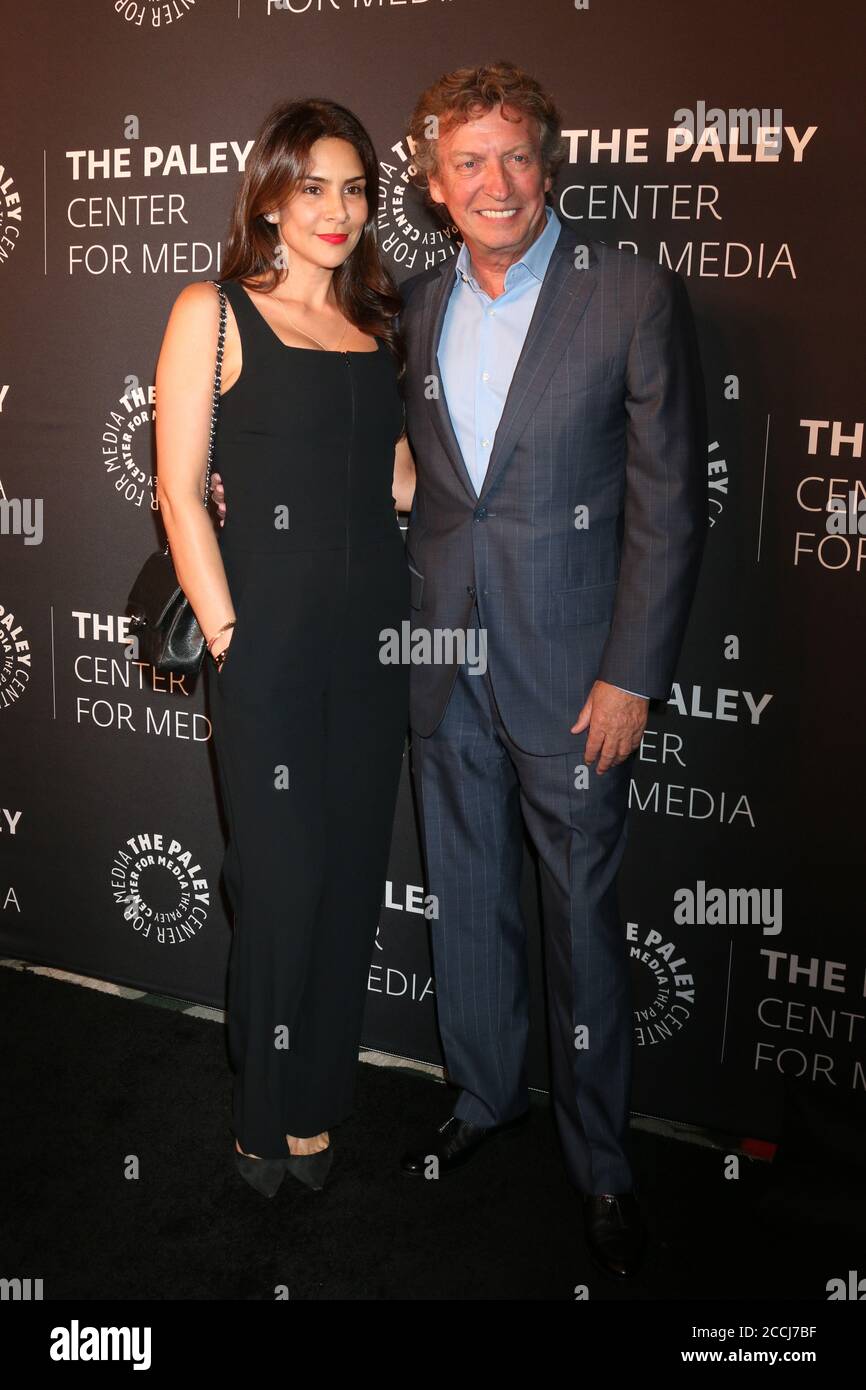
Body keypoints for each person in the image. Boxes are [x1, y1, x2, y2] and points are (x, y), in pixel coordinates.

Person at [213, 59, 708, 1275]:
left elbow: (668, 504)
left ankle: (601, 1165)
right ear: (432, 187)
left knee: (580, 920)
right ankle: (486, 1100)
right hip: (435, 662)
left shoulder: (628, 293)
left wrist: (632, 674)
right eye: (467, 162)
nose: (494, 181)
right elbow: (389, 475)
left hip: (574, 672)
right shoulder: (412, 311)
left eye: (515, 156)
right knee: (469, 904)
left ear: (547, 164)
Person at [155, 97, 415, 1198]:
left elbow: (396, 481)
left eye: (354, 187)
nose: (336, 209)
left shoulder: (377, 328)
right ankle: (262, 1112)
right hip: (267, 647)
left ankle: (317, 1095)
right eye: (311, 185)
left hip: (374, 647)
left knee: (351, 880)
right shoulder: (211, 313)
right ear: (267, 195)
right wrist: (228, 638)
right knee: (281, 881)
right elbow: (177, 490)